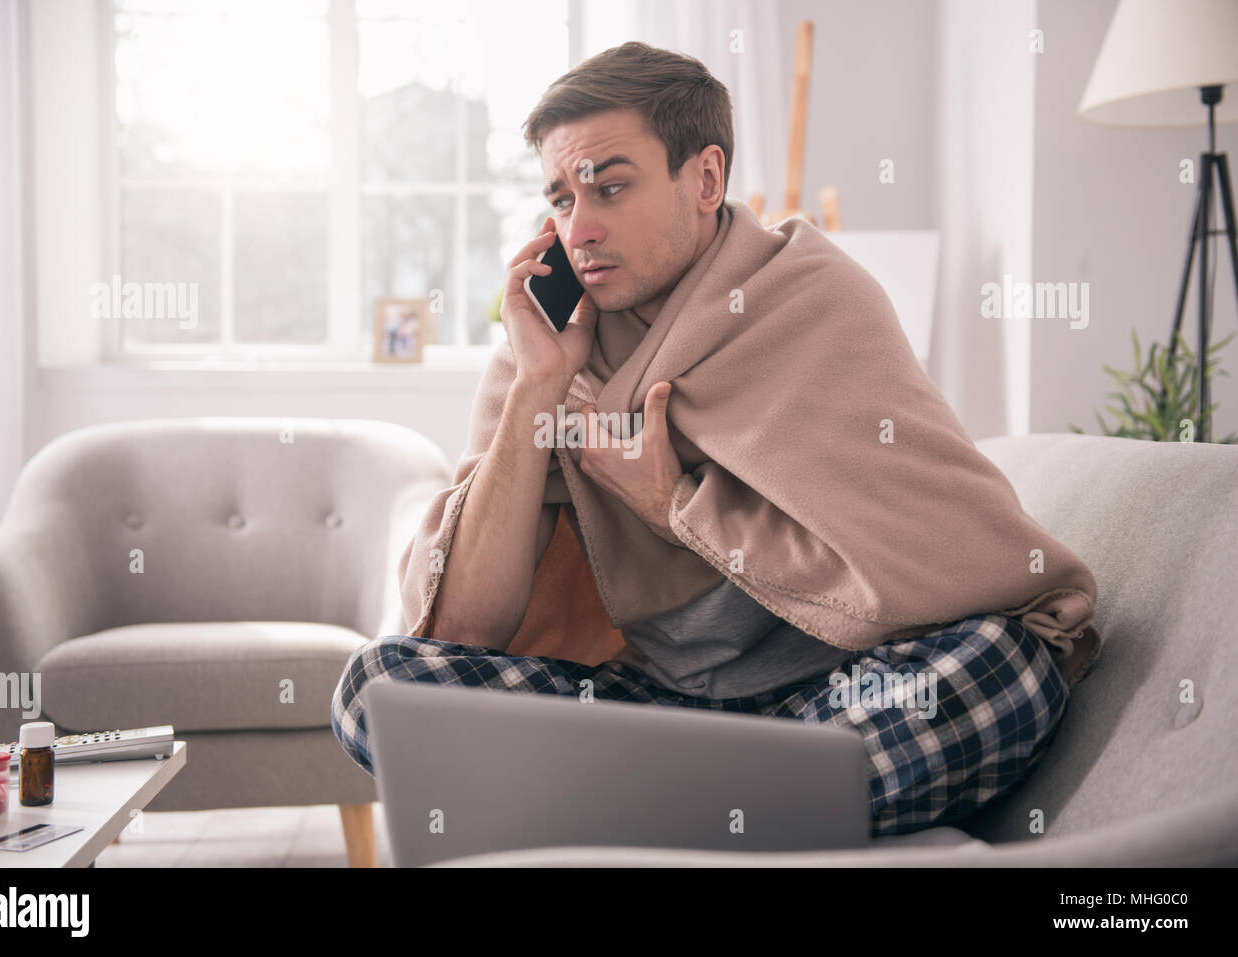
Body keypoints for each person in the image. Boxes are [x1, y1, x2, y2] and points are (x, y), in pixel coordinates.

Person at [332, 41, 1071, 838]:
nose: (578, 229)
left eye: (608, 188)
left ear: (705, 179)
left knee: (1006, 666)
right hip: (664, 714)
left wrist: (675, 504)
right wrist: (538, 385)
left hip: (842, 690)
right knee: (378, 687)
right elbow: (463, 630)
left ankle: (656, 815)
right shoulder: (546, 346)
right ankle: (751, 811)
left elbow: (946, 569)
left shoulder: (812, 299)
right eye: (560, 200)